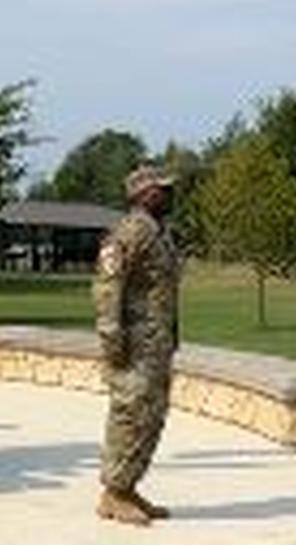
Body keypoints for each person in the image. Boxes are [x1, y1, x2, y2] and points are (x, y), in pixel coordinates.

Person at [94, 165, 181, 527]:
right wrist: (112, 337)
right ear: (142, 194)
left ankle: (128, 487)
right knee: (131, 415)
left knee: (150, 416)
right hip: (134, 344)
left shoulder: (159, 232)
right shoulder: (131, 231)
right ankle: (113, 493)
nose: (170, 195)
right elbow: (107, 285)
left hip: (155, 344)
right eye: (162, 190)